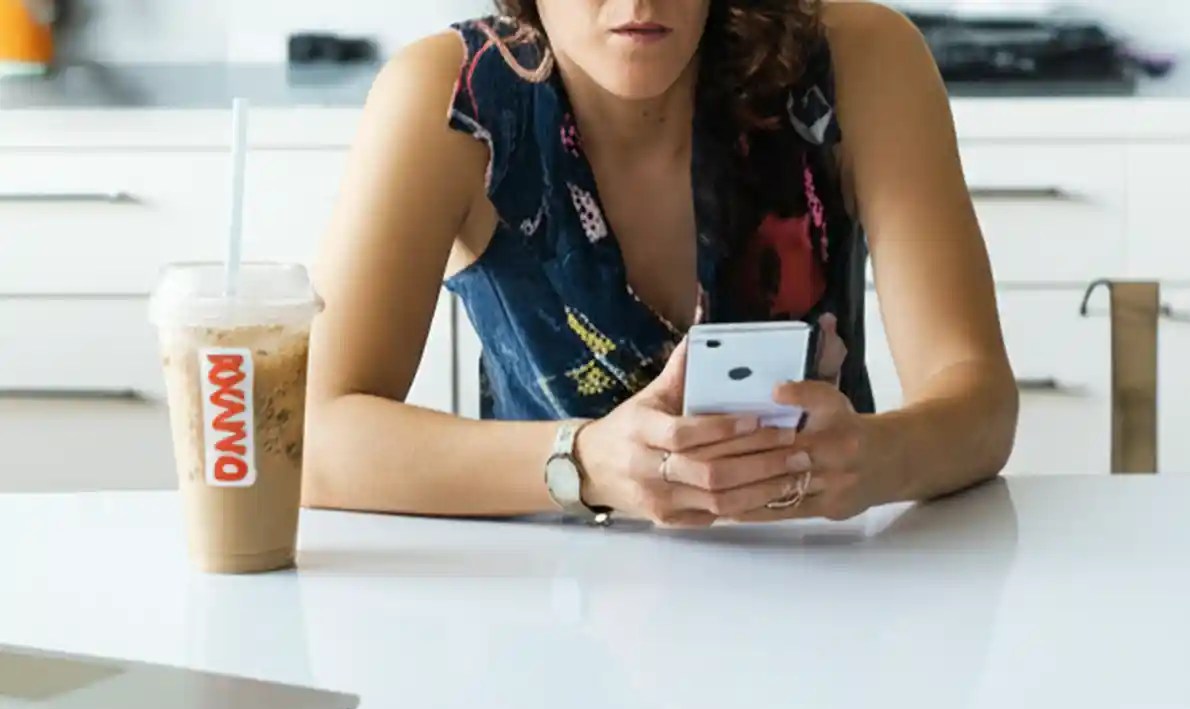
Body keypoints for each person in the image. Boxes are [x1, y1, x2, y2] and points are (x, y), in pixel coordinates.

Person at [302, 0, 1018, 528]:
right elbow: (308, 437)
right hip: (551, 611)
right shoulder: (452, 96)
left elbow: (980, 403)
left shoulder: (862, 59)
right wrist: (584, 462)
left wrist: (875, 458)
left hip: (821, 590)